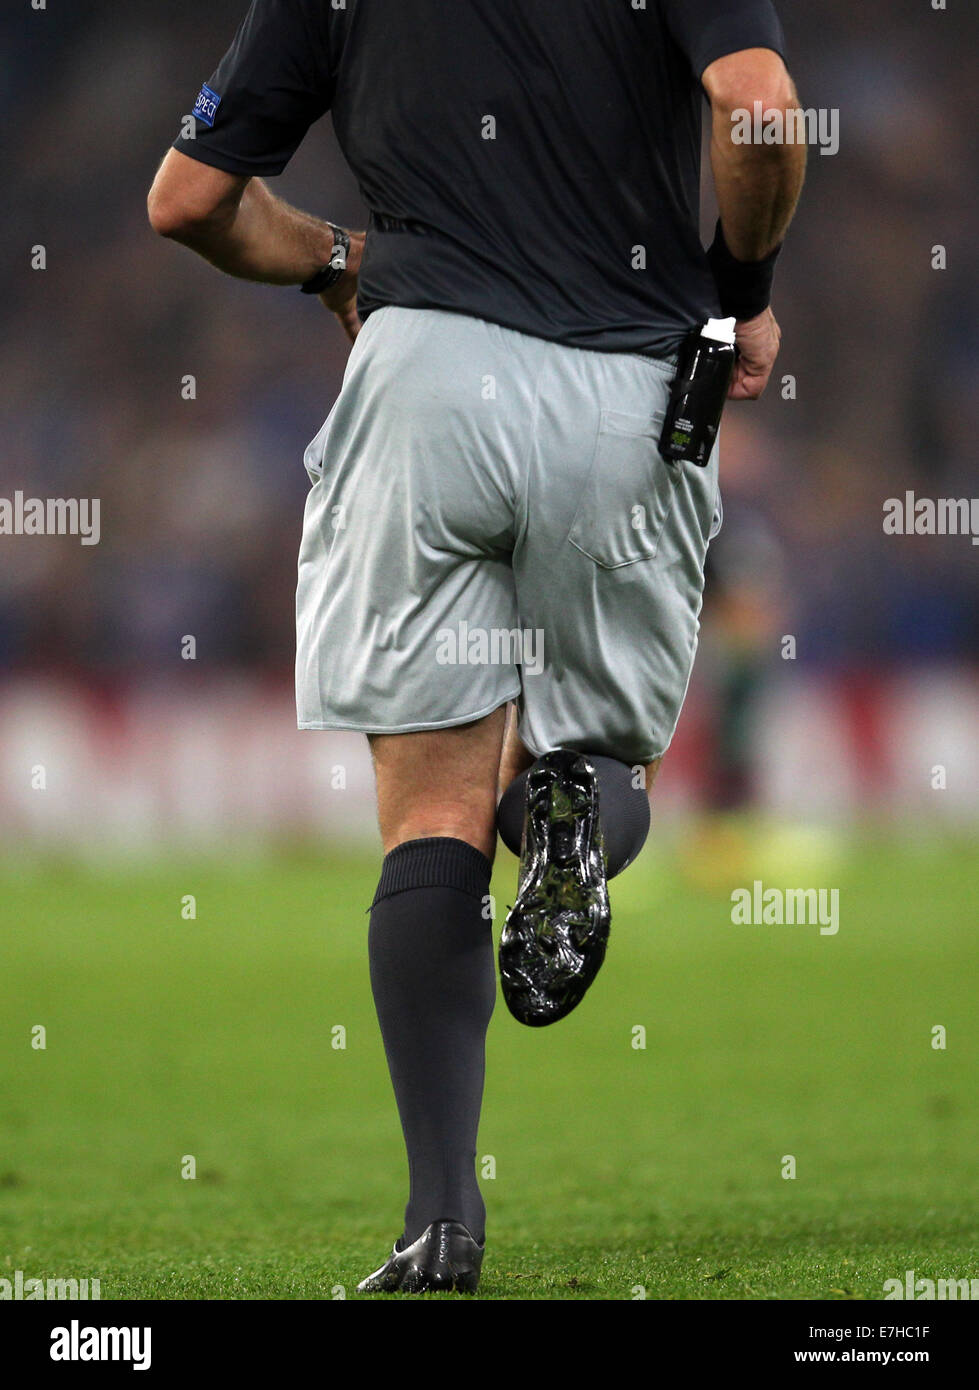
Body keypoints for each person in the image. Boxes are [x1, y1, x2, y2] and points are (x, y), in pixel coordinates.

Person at [148, 0, 805, 1294]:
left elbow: (188, 200)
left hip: (422, 376)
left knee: (429, 817)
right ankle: (565, 812)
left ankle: (440, 1222)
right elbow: (763, 105)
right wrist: (744, 300)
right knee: (604, 765)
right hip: (626, 380)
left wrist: (341, 260)